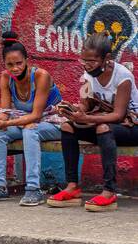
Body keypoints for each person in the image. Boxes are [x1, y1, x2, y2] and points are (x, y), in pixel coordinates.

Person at [47, 32, 138, 211]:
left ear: (106, 58)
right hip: (104, 126)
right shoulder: (88, 75)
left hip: (131, 127)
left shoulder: (123, 76)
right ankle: (72, 186)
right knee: (67, 127)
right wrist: (73, 110)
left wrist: (87, 118)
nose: (87, 66)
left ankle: (109, 191)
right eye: (84, 61)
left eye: (92, 62)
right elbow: (86, 105)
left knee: (104, 128)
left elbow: (118, 116)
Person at [0, 39, 63, 207]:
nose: (15, 68)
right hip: (24, 120)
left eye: (19, 63)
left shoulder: (41, 76)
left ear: (27, 61)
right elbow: (5, 112)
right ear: (5, 64)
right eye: (10, 64)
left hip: (53, 122)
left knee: (30, 130)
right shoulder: (5, 78)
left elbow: (36, 115)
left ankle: (33, 189)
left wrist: (7, 123)